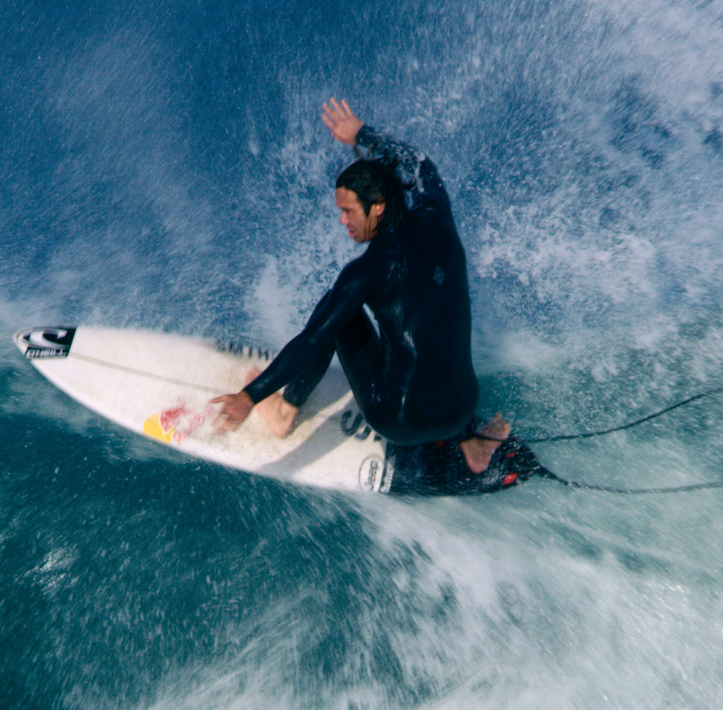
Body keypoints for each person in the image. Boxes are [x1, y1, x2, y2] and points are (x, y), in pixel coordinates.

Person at [213, 99, 527, 492]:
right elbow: (421, 163)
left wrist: (250, 396)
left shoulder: (367, 270)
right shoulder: (438, 216)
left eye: (348, 211)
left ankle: (283, 411)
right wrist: (363, 135)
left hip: (398, 420)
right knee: (434, 316)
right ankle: (472, 443)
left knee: (335, 311)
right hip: (462, 407)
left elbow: (312, 340)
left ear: (377, 208)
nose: (342, 221)